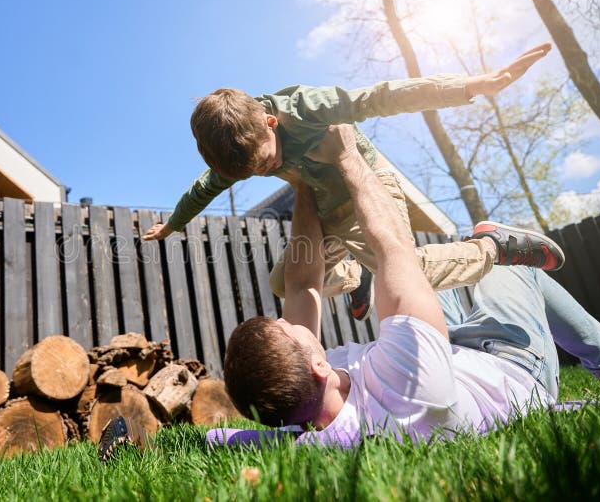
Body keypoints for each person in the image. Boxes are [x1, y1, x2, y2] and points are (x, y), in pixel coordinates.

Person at [221, 124, 600, 447]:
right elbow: (390, 244)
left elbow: (301, 281)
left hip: (452, 354)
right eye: (291, 330)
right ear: (319, 365)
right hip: (515, 370)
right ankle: (599, 359)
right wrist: (347, 156)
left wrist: (302, 185)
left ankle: (367, 280)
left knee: (429, 270)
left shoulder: (302, 419)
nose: (293, 323)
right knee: (509, 268)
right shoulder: (407, 386)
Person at [142, 43, 562, 320]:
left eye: (265, 162)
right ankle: (354, 277)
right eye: (251, 173)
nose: (263, 171)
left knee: (401, 273)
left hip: (366, 185)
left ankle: (491, 248)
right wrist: (174, 224)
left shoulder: (306, 107)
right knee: (282, 283)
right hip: (325, 209)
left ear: (270, 122)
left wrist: (471, 86)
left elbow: (381, 96)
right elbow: (203, 189)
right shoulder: (237, 148)